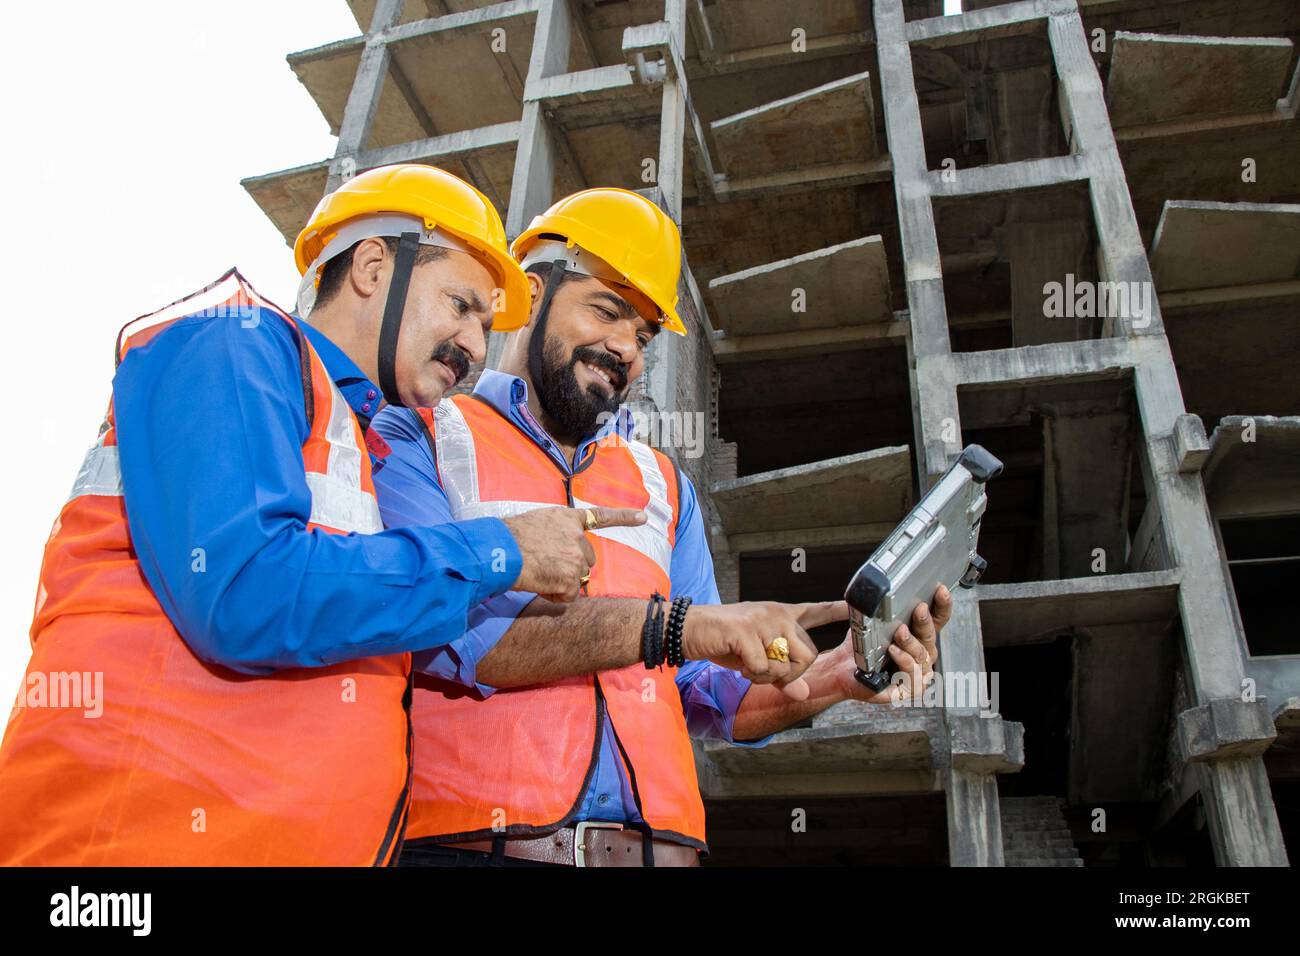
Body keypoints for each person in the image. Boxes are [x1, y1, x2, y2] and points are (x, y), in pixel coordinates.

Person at [0, 163, 646, 866]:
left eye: (485, 326)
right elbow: (244, 588)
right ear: (372, 266)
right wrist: (501, 550)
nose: (472, 345)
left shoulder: (356, 438)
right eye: (460, 305)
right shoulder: (234, 343)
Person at [369, 187, 950, 867]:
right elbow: (450, 637)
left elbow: (710, 688)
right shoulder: (418, 435)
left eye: (643, 336)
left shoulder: (663, 486)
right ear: (529, 295)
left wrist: (836, 672)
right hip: (474, 848)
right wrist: (682, 628)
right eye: (608, 310)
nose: (627, 350)